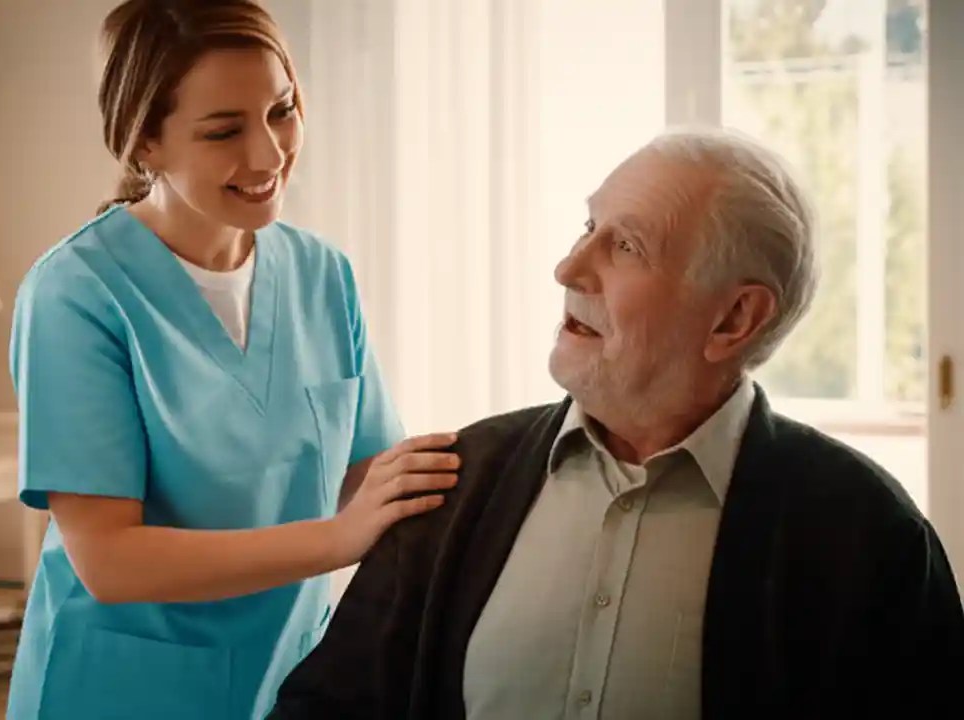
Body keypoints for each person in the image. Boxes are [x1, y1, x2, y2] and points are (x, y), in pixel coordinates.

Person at [270, 129, 964, 719]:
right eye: (587, 228)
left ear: (733, 319)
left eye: (626, 247)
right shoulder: (450, 484)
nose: (569, 267)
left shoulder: (872, 538)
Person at [6, 2, 459, 718]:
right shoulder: (76, 295)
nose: (269, 154)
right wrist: (336, 539)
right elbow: (110, 561)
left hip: (287, 679)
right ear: (144, 142)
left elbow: (372, 478)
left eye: (281, 111)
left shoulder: (322, 275)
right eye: (224, 130)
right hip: (122, 692)